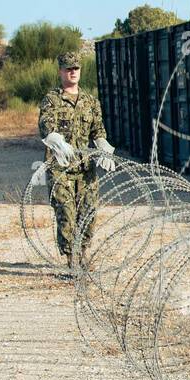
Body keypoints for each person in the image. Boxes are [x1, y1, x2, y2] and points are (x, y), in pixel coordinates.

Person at [38, 51, 112, 267]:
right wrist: (56, 140)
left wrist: (103, 146)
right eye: (68, 69)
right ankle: (72, 259)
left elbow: (98, 130)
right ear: (61, 71)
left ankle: (83, 251)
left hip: (85, 169)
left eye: (76, 69)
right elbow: (45, 126)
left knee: (88, 213)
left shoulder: (90, 101)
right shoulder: (52, 100)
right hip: (60, 168)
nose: (73, 72)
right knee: (67, 213)